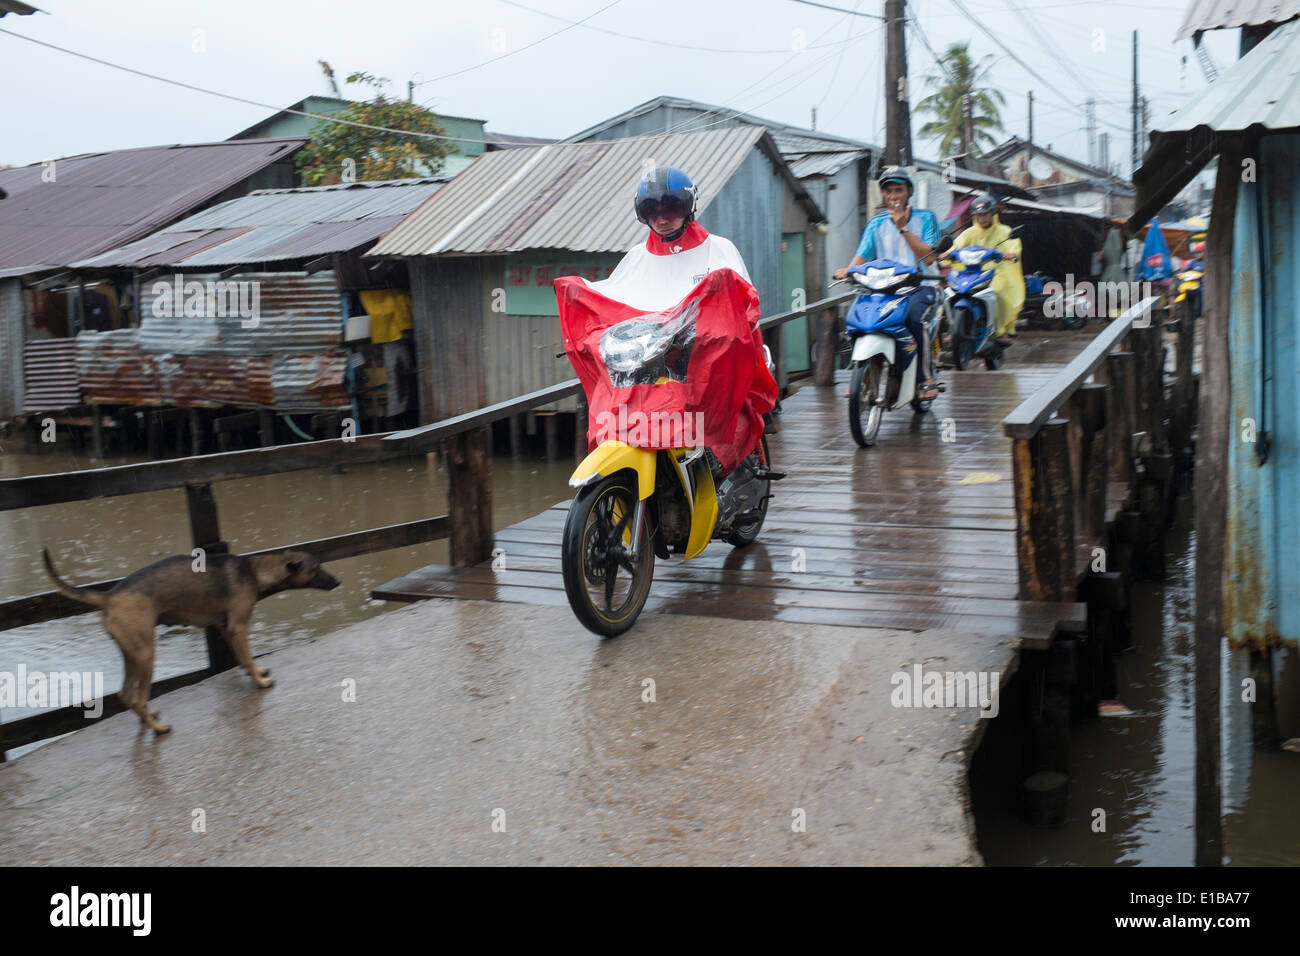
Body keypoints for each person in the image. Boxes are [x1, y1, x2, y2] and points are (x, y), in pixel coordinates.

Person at [835, 166, 942, 400]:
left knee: (915, 317)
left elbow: (930, 257)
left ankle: (926, 377)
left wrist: (902, 227)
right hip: (883, 288)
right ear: (883, 195)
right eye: (889, 191)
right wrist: (849, 270)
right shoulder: (876, 223)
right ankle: (859, 374)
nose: (894, 196)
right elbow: (862, 255)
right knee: (856, 317)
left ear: (909, 192)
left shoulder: (926, 217)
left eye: (899, 190)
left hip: (920, 285)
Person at [950, 193, 1023, 345]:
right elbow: (956, 246)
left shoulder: (1004, 231)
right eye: (978, 215)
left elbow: (1013, 248)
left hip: (999, 270)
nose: (982, 218)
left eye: (985, 214)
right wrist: (945, 254)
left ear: (992, 213)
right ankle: (955, 329)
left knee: (999, 289)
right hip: (973, 270)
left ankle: (999, 330)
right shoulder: (969, 233)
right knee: (952, 290)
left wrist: (1010, 254)